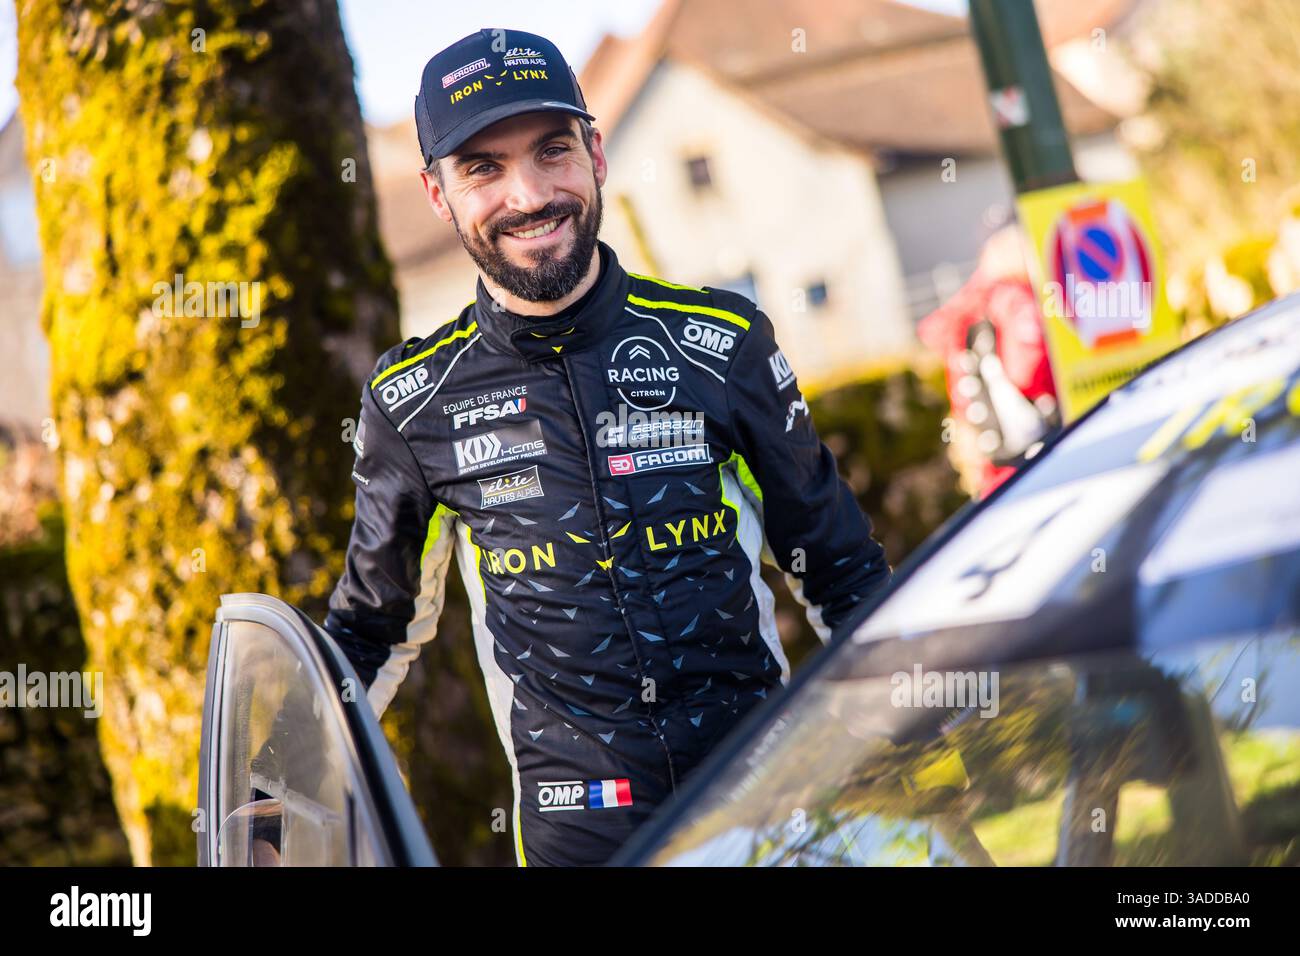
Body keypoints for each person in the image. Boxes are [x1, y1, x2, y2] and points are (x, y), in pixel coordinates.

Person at [324, 28, 892, 866]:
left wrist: (917, 742)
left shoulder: (721, 342)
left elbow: (843, 577)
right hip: (576, 839)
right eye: (483, 167)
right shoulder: (415, 403)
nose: (528, 194)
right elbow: (369, 635)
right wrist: (272, 800)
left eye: (551, 150)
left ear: (595, 151)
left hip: (766, 806)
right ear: (438, 195)